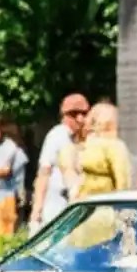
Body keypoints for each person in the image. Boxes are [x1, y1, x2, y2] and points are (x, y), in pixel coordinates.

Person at [31, 94, 90, 231]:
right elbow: (44, 172)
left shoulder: (81, 138)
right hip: (54, 202)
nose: (82, 119)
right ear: (66, 116)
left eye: (84, 113)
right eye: (76, 114)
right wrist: (37, 210)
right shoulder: (57, 135)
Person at [60, 103, 132, 201]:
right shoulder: (110, 145)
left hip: (101, 205)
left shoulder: (113, 146)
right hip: (90, 204)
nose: (85, 120)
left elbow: (122, 182)